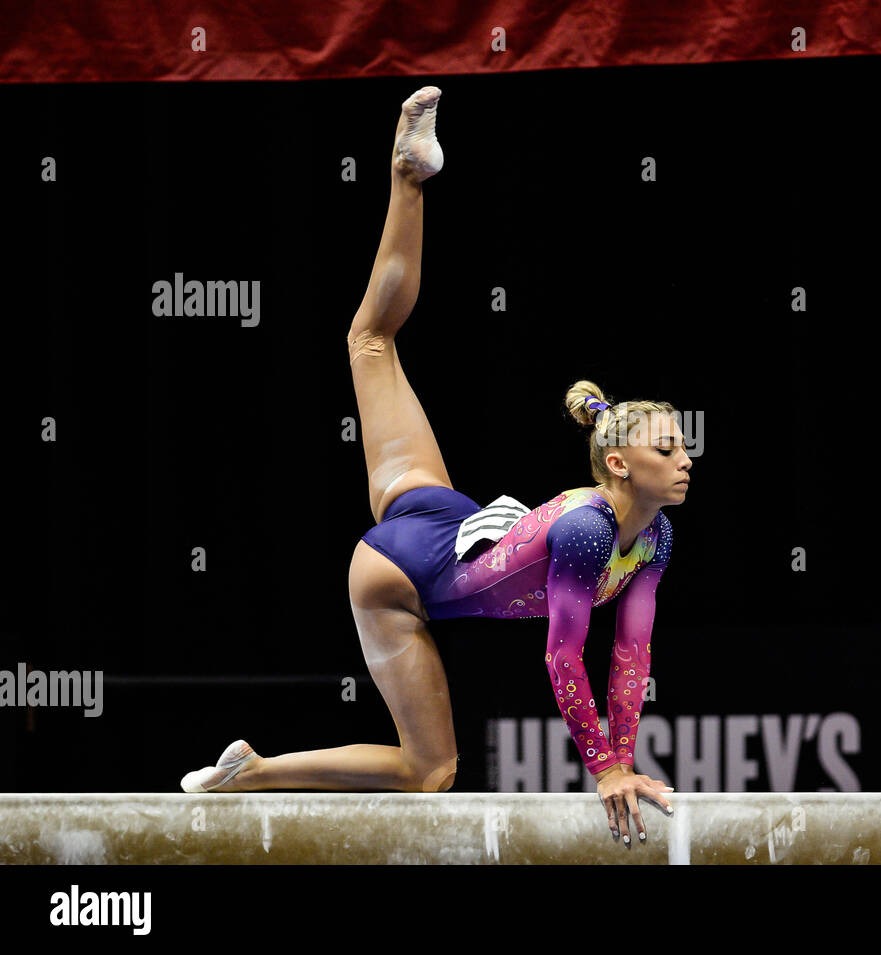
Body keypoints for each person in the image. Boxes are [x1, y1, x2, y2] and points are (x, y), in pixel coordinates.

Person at [180, 87, 684, 846]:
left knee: (371, 341)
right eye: (667, 446)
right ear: (618, 462)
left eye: (683, 444)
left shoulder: (655, 539)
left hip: (440, 513)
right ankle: (256, 770)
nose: (685, 458)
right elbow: (562, 654)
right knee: (430, 771)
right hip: (396, 577)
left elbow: (631, 655)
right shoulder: (589, 531)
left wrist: (625, 759)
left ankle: (407, 174)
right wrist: (605, 768)